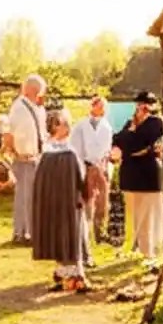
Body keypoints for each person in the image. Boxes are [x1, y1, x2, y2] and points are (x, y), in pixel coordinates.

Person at [32, 109, 90, 292]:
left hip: (53, 202)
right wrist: (84, 193)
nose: (68, 127)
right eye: (65, 123)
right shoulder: (68, 153)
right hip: (68, 202)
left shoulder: (46, 152)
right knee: (71, 236)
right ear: (56, 127)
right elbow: (79, 179)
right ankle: (73, 277)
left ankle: (64, 273)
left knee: (60, 236)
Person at [112, 91, 163, 267]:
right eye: (138, 104)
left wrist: (133, 141)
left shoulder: (156, 123)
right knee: (132, 213)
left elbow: (143, 143)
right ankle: (133, 246)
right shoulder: (131, 124)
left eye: (144, 104)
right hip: (130, 173)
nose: (140, 108)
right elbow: (118, 140)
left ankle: (148, 250)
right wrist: (132, 134)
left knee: (148, 214)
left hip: (148, 174)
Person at [3, 75, 48, 245]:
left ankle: (30, 231)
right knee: (24, 196)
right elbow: (9, 133)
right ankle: (21, 232)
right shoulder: (19, 107)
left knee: (32, 197)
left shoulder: (35, 108)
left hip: (35, 157)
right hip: (23, 158)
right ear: (33, 90)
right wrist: (14, 152)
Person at [70, 96, 114, 249]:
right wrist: (81, 166)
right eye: (99, 106)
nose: (102, 109)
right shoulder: (81, 126)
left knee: (103, 201)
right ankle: (85, 231)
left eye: (104, 107)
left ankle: (100, 231)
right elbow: (75, 147)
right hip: (86, 166)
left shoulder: (107, 127)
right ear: (93, 107)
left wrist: (104, 164)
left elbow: (107, 148)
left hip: (101, 166)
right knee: (88, 200)